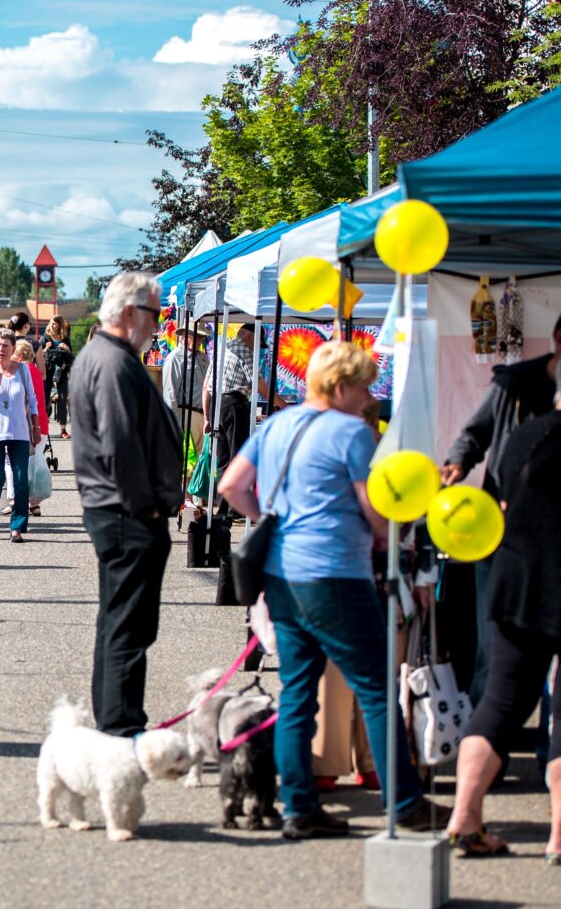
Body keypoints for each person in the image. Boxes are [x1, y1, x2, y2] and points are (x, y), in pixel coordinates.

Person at [217, 339, 446, 838]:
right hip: (337, 573)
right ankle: (404, 801)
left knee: (298, 693)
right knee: (378, 691)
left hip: (282, 575)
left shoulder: (277, 424)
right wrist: (396, 531)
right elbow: (374, 511)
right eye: (364, 387)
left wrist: (270, 520)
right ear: (340, 387)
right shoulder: (351, 433)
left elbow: (232, 486)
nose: (370, 398)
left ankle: (299, 807)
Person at [444, 373, 561, 861]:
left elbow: (509, 499)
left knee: (501, 700)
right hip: (542, 577)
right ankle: (559, 837)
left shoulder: (525, 436)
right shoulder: (518, 402)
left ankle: (463, 818)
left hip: (518, 580)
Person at [69, 272, 181, 736]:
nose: (158, 326)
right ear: (131, 312)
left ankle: (115, 718)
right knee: (127, 628)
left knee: (120, 622)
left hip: (118, 509)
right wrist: (147, 508)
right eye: (155, 315)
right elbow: (119, 445)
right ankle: (120, 725)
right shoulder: (112, 363)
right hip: (125, 512)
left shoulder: (105, 357)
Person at [439, 311, 560, 705]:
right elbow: (474, 433)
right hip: (502, 529)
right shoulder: (515, 383)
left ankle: (547, 745)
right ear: (558, 339)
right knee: (495, 641)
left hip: (554, 537)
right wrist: (458, 462)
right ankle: (482, 722)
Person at [203, 322, 277, 522]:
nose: (256, 349)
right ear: (250, 337)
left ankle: (223, 509)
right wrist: (285, 405)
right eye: (257, 343)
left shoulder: (220, 350)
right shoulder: (244, 351)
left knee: (223, 459)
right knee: (238, 458)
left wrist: (207, 417)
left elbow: (205, 386)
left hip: (217, 404)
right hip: (235, 405)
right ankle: (234, 510)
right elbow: (261, 387)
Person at [0, 329, 40, 543]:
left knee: (21, 480)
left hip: (19, 431)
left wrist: (36, 425)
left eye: (5, 345)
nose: (1, 349)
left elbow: (32, 399)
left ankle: (17, 527)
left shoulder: (22, 370)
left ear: (13, 348)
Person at [162, 323, 208, 459]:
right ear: (183, 336)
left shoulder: (203, 358)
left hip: (202, 416)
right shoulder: (175, 358)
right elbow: (170, 394)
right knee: (187, 464)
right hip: (186, 415)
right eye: (196, 336)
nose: (199, 340)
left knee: (198, 464)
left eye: (201, 337)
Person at [15, 340, 49, 516]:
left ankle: (22, 501)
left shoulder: (23, 372)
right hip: (41, 423)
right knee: (35, 463)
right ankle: (34, 503)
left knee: (26, 465)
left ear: (19, 356)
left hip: (29, 423)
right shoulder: (35, 371)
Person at [41, 316, 72, 441]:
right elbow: (37, 356)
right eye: (51, 324)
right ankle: (44, 427)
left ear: (60, 326)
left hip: (62, 373)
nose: (52, 326)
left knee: (62, 400)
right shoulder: (45, 339)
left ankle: (63, 429)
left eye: (55, 324)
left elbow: (71, 357)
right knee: (45, 401)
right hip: (47, 373)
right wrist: (45, 349)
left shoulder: (65, 339)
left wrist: (67, 349)